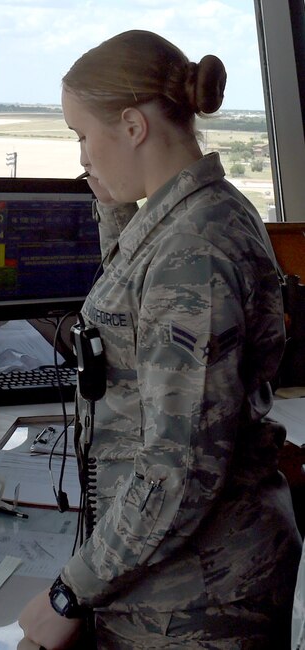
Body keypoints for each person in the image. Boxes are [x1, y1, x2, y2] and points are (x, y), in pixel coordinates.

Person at [18, 30, 302, 649]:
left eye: (82, 136)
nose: (83, 159)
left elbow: (180, 468)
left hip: (199, 599)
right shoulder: (190, 215)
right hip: (178, 576)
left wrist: (69, 593)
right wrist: (115, 204)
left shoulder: (193, 251)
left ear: (132, 126)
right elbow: (131, 309)